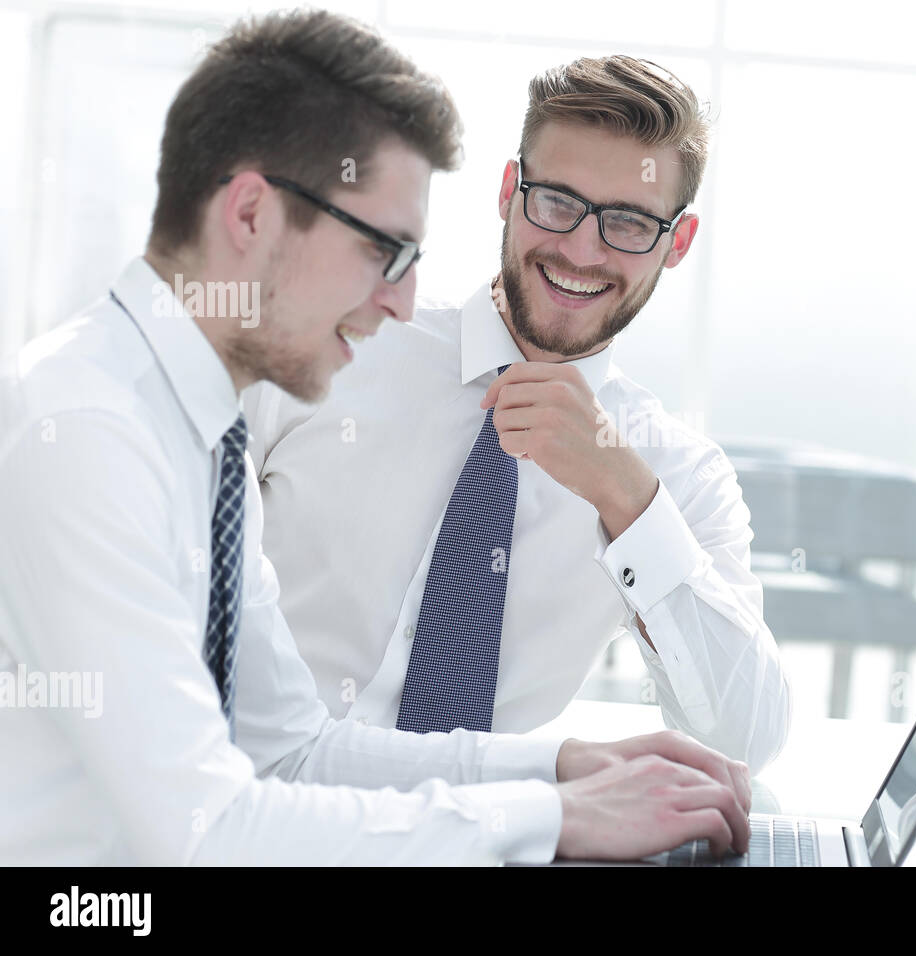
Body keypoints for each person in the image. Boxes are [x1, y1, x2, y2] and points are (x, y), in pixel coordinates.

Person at [0, 9, 750, 865]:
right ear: (252, 215)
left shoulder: (196, 432)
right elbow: (207, 831)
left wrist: (563, 767)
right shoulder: (92, 432)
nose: (401, 302)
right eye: (383, 250)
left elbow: (292, 752)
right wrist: (555, 819)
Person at [245, 54, 792, 771]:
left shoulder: (676, 476)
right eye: (557, 202)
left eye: (628, 222)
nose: (581, 248)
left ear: (677, 243)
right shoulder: (335, 338)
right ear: (509, 191)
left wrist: (627, 498)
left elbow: (747, 735)